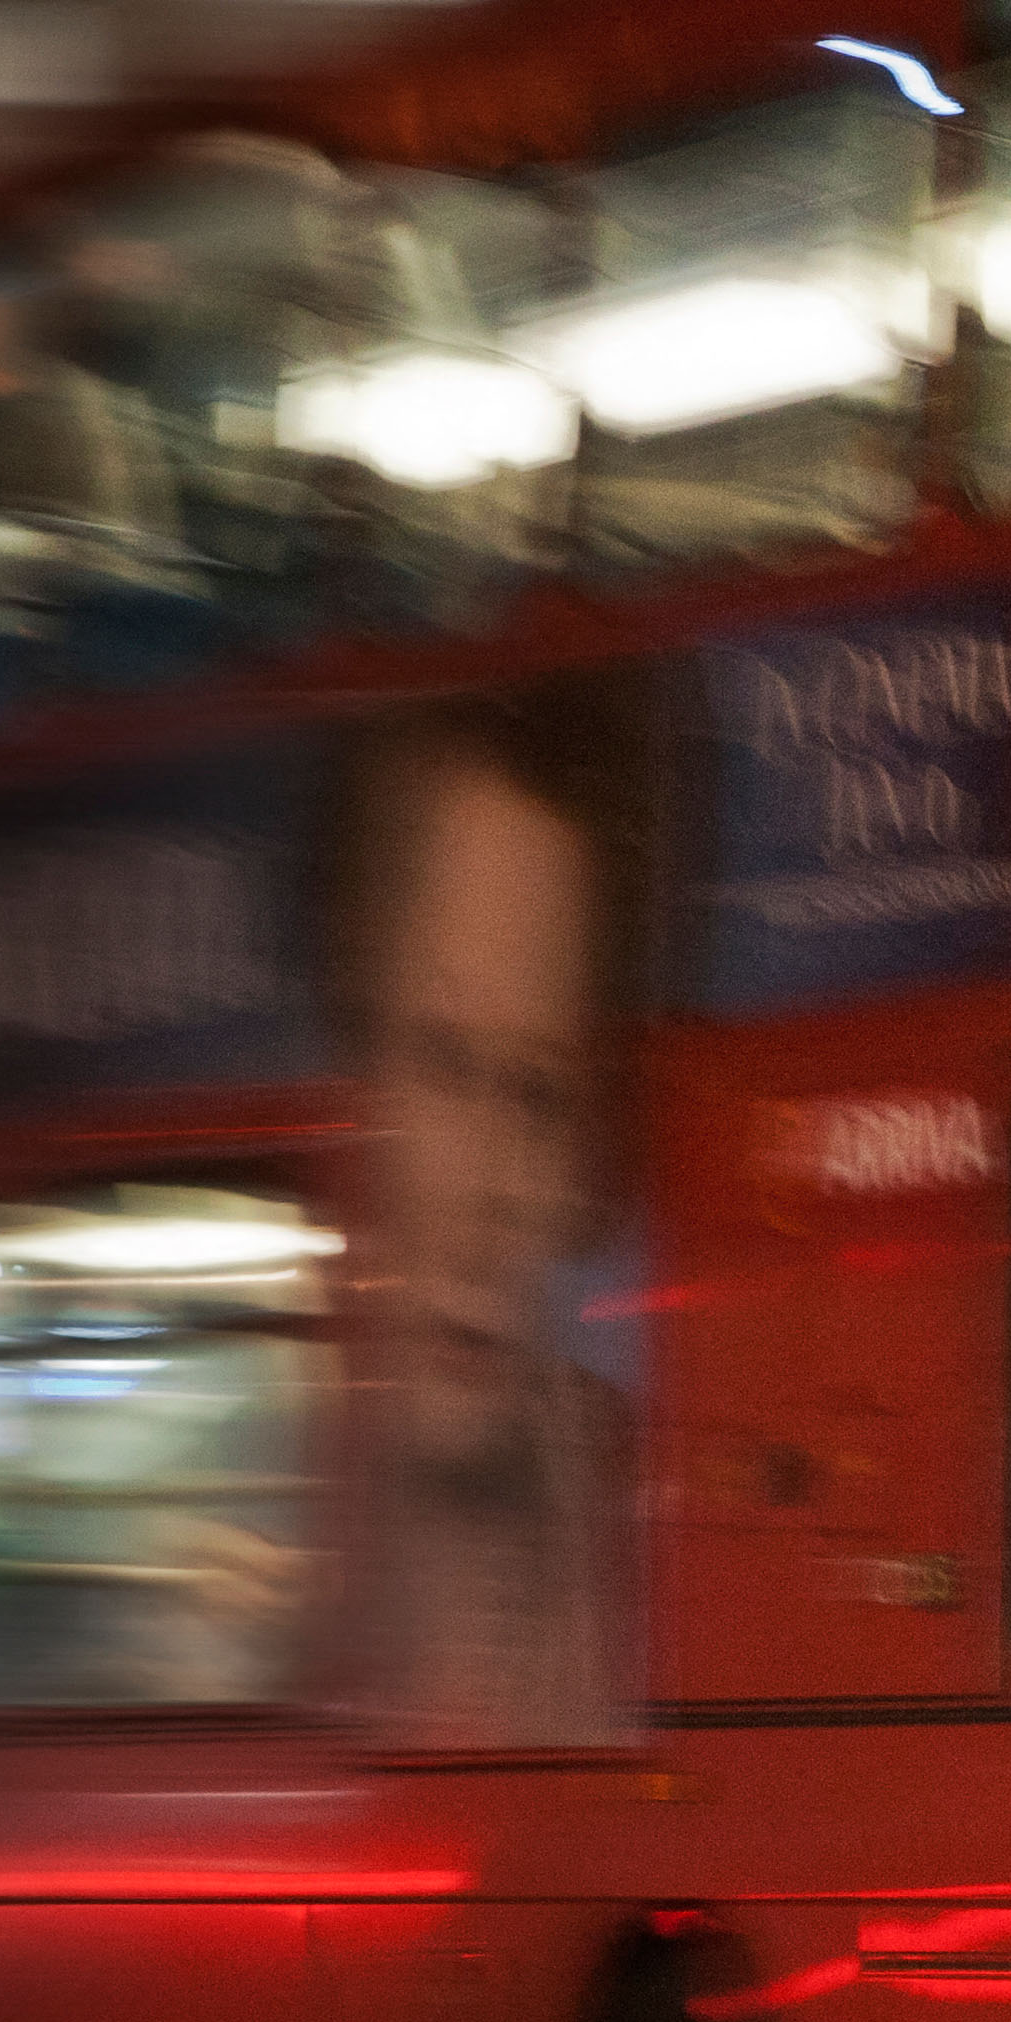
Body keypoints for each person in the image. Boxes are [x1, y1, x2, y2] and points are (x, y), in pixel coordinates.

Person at [334, 681, 651, 1748]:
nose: (486, 1193)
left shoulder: (641, 1572)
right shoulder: (234, 1561)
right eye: (443, 1062)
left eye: (538, 1095)